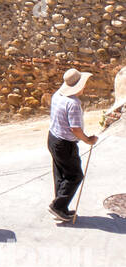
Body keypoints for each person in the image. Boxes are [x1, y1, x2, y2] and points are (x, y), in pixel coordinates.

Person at [48, 68, 97, 222]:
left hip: (53, 139)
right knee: (75, 175)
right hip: (65, 144)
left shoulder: (58, 95)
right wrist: (88, 140)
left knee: (61, 174)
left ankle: (60, 207)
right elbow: (75, 129)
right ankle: (57, 206)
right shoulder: (73, 103)